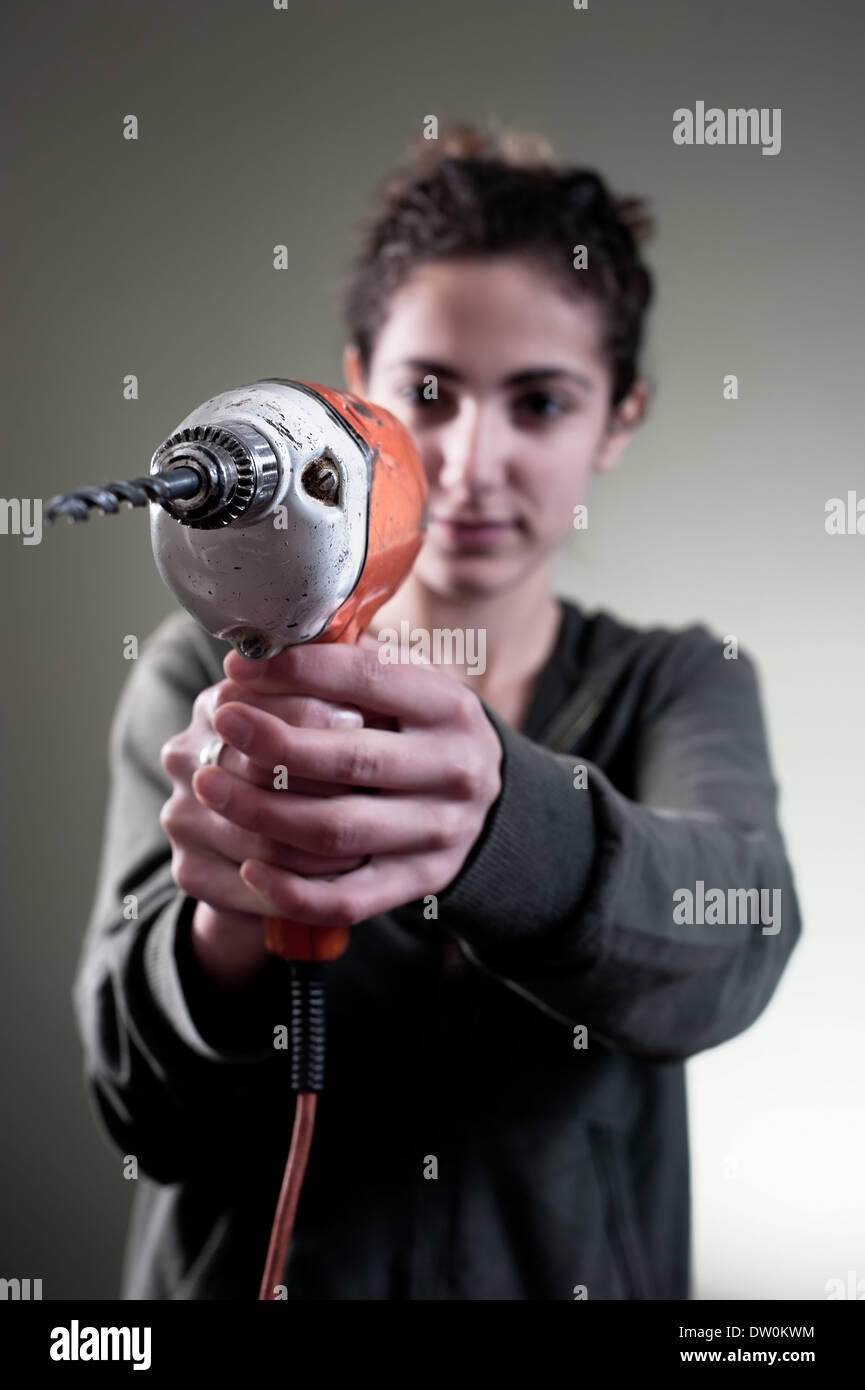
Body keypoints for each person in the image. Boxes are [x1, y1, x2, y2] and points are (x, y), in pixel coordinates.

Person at [74, 124, 802, 1300]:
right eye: (428, 392)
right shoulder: (203, 675)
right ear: (356, 384)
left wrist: (508, 827)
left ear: (618, 420)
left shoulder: (682, 681)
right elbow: (139, 1106)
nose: (470, 458)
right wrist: (222, 928)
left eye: (541, 402)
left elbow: (735, 946)